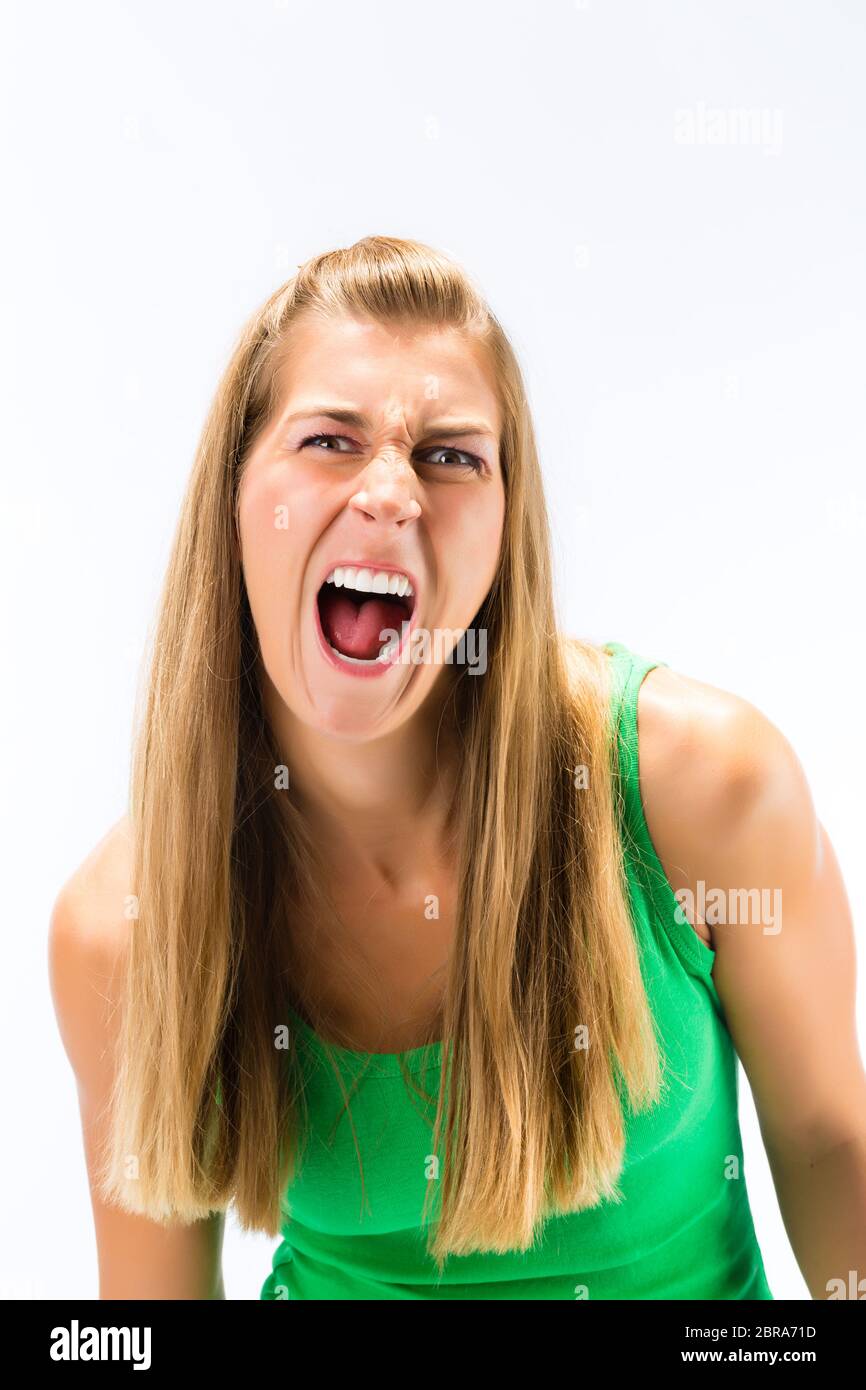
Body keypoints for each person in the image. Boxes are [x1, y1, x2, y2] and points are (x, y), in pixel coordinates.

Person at [48, 236, 865, 1300]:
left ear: (500, 537)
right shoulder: (122, 929)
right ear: (235, 498)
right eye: (331, 439)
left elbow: (823, 1144)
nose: (391, 491)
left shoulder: (701, 789)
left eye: (451, 455)